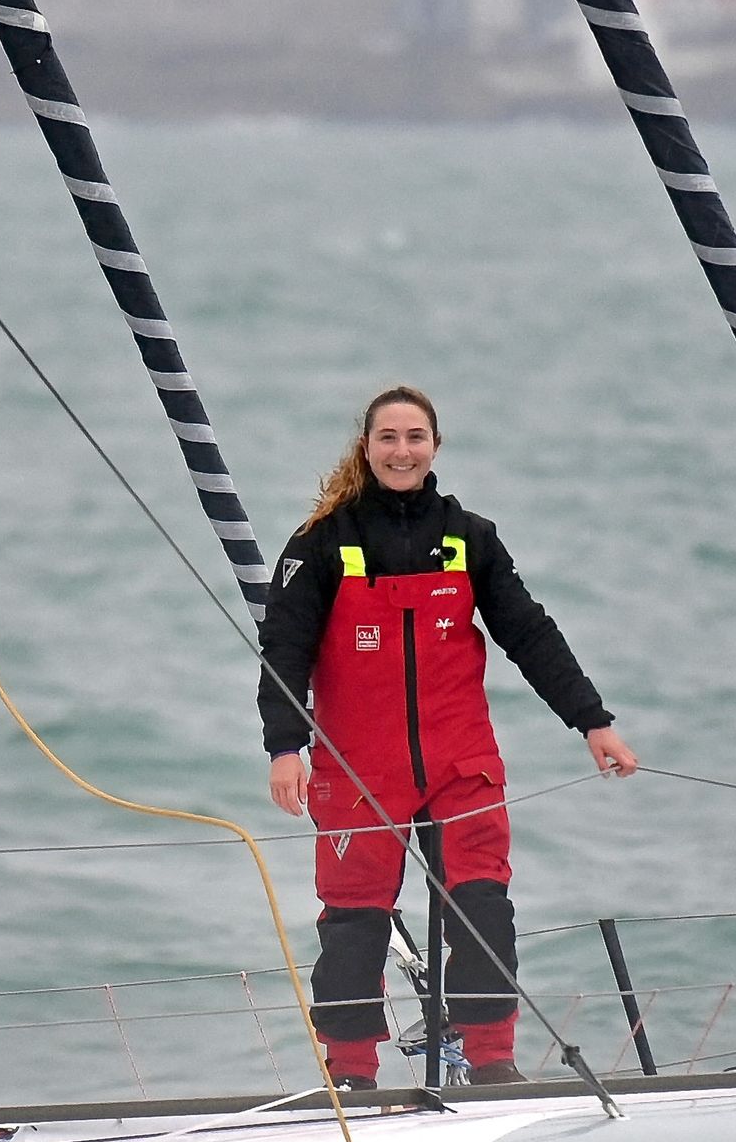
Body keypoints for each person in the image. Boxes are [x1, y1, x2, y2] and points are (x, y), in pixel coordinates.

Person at [258, 386, 637, 1089]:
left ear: (436, 446)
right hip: (356, 768)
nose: (402, 451)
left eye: (415, 437)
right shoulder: (322, 543)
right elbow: (282, 649)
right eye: (388, 438)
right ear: (366, 448)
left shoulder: (471, 539)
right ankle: (351, 1075)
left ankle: (492, 1058)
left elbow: (529, 633)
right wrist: (285, 748)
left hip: (460, 760)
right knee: (353, 923)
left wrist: (594, 722)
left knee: (483, 908)